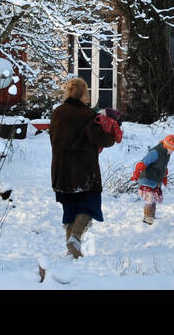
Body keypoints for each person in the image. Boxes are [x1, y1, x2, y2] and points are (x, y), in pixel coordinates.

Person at [49, 77, 121, 258]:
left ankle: (72, 253)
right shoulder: (88, 115)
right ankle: (75, 237)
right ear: (84, 94)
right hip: (83, 171)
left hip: (61, 170)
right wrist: (112, 134)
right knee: (89, 206)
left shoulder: (57, 113)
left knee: (70, 211)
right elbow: (101, 139)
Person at [131, 134, 174, 224]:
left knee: (153, 199)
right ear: (167, 146)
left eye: (173, 150)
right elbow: (143, 162)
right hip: (147, 178)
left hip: (156, 180)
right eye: (171, 149)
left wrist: (164, 177)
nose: (172, 152)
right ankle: (147, 218)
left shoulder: (166, 154)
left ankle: (152, 217)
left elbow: (163, 167)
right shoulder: (156, 152)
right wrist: (136, 172)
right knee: (150, 199)